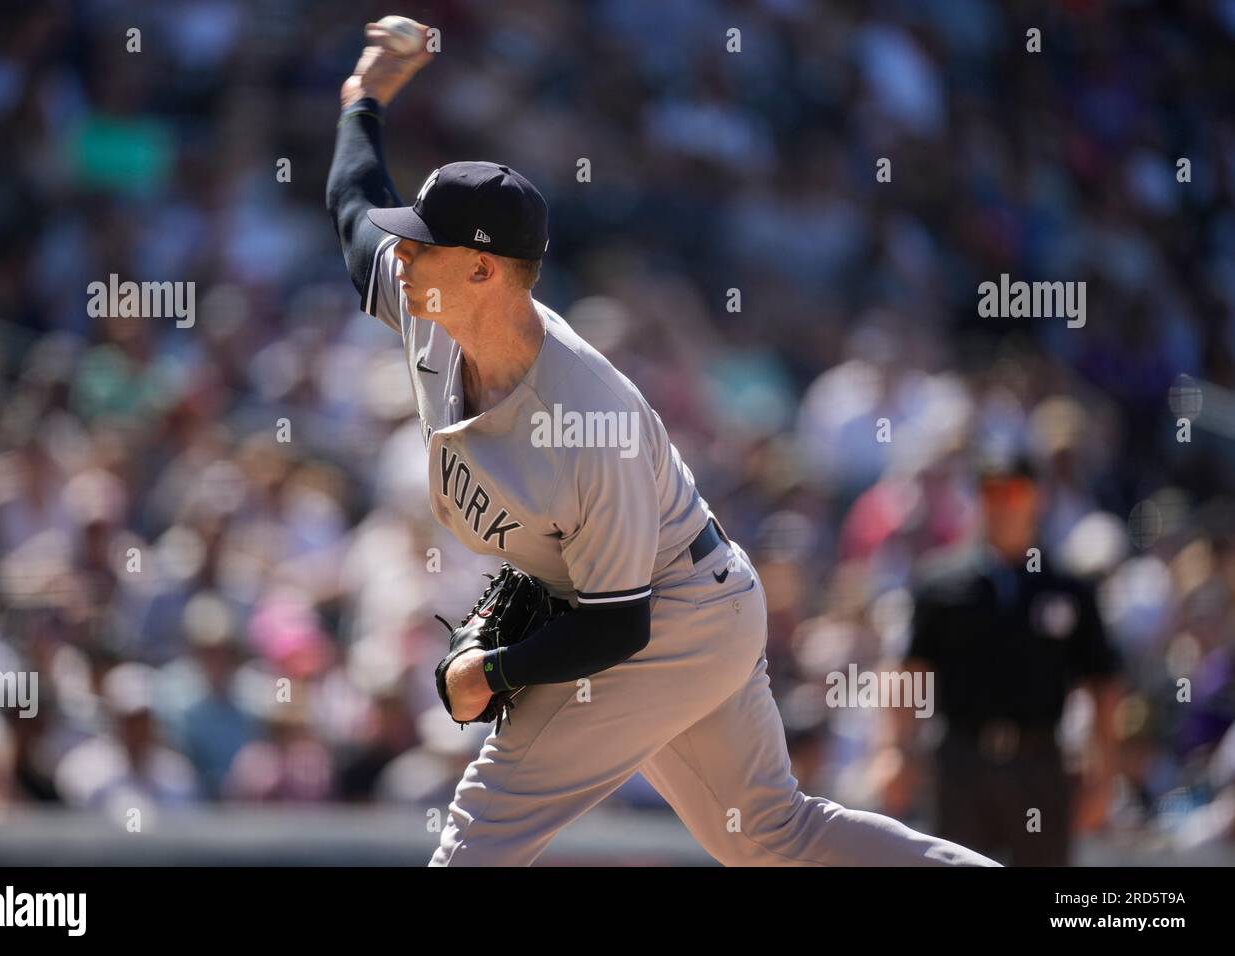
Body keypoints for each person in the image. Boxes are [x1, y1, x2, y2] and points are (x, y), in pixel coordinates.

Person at [325, 17, 1000, 867]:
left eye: (423, 243)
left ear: (483, 271)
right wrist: (365, 100)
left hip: (666, 611)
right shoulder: (433, 307)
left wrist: (493, 674)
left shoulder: (585, 415)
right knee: (773, 840)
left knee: (479, 828)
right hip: (673, 603)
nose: (403, 254)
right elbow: (354, 212)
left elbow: (616, 626)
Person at [887, 454, 1124, 865]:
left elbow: (1102, 684)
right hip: (961, 762)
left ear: (1037, 498)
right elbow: (911, 672)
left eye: (1014, 492)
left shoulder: (1067, 588)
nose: (1002, 504)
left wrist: (1102, 774)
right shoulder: (942, 584)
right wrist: (897, 752)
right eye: (991, 492)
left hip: (1040, 765)